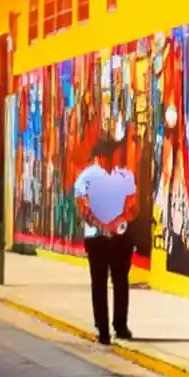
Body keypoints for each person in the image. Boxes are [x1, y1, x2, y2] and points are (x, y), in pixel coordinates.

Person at [74, 136, 139, 345]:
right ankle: (103, 328)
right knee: (100, 283)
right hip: (98, 238)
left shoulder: (125, 176)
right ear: (102, 156)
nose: (117, 158)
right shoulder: (86, 178)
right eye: (113, 154)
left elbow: (134, 206)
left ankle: (120, 325)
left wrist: (120, 221)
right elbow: (83, 209)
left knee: (120, 281)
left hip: (119, 237)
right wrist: (105, 226)